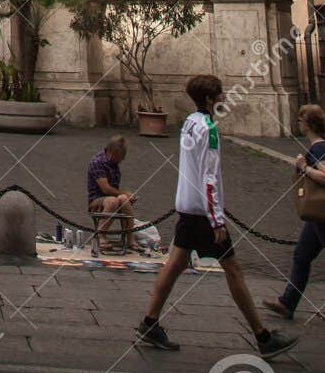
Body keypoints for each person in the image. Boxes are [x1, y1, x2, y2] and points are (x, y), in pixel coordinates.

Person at [135, 74, 292, 358]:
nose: (223, 98)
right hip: (202, 213)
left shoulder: (188, 124)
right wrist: (217, 220)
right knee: (232, 268)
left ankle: (149, 322)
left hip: (187, 206)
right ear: (208, 99)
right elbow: (208, 178)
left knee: (175, 264)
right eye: (219, 94)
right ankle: (263, 337)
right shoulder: (208, 128)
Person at [266, 102, 325, 322]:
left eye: (300, 120)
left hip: (321, 212)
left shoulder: (319, 148)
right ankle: (287, 303)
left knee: (303, 256)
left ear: (307, 125)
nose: (298, 124)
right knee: (302, 255)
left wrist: (303, 166)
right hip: (316, 215)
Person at [87, 136, 136, 249]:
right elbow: (105, 189)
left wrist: (127, 196)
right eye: (121, 157)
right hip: (97, 200)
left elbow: (115, 191)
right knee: (113, 200)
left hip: (110, 198)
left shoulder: (113, 164)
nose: (122, 160)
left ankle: (130, 237)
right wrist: (123, 193)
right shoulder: (97, 162)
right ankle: (101, 235)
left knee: (123, 199)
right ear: (113, 153)